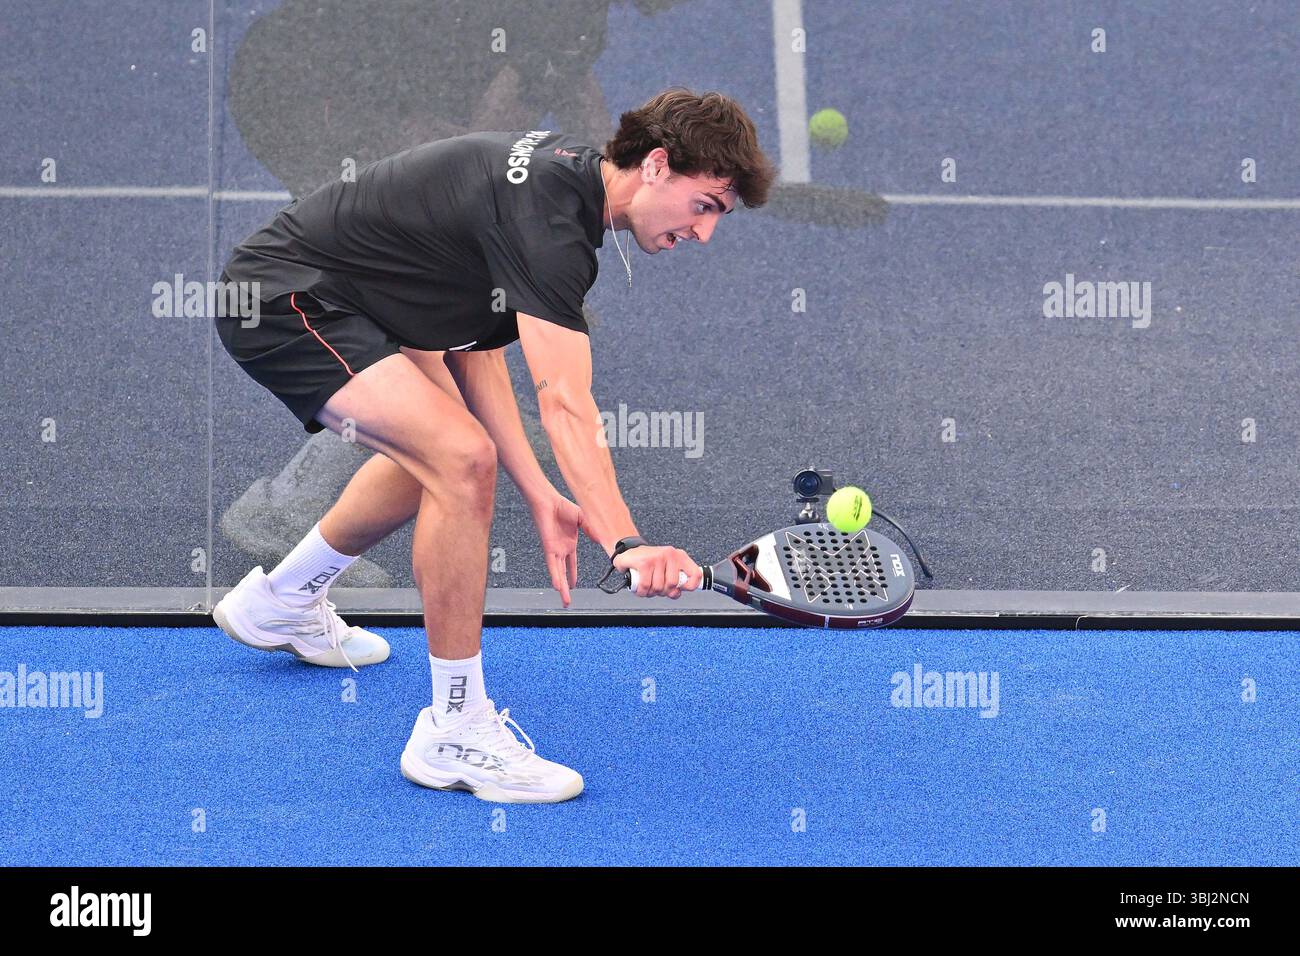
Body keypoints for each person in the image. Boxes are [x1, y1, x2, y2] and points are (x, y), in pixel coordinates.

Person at [212, 88, 777, 803]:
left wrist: (541, 490)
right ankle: (453, 730)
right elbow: (566, 406)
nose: (704, 234)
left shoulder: (565, 185)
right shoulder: (551, 220)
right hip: (285, 298)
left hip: (359, 298)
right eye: (707, 206)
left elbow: (473, 350)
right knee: (459, 460)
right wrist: (625, 543)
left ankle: (282, 602)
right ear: (658, 165)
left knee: (446, 457)